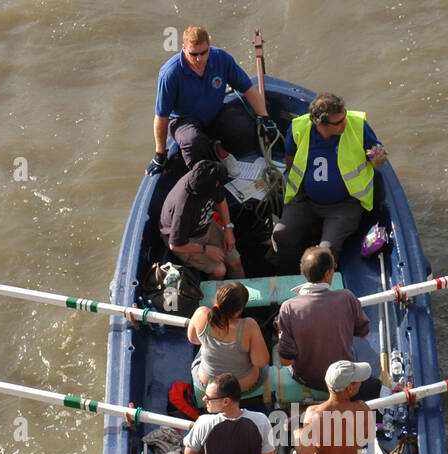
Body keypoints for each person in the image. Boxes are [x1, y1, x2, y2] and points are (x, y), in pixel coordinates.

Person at [272, 92, 388, 273]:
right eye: (338, 122)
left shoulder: (356, 125)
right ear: (321, 123)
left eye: (344, 117)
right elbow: (290, 160)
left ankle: (321, 290)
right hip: (307, 201)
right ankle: (291, 277)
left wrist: (378, 158)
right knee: (281, 235)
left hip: (344, 205)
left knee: (325, 253)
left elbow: (376, 157)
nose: (345, 123)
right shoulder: (299, 128)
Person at [148, 25, 276, 174]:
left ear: (209, 45)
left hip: (214, 113)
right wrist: (160, 153)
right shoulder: (170, 74)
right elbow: (161, 116)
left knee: (242, 127)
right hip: (183, 120)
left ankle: (218, 148)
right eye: (193, 54)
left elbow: (248, 89)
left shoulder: (221, 58)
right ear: (184, 49)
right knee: (194, 142)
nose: (199, 59)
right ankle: (208, 172)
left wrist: (265, 118)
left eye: (203, 53)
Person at [274, 245, 373, 397]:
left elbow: (286, 361)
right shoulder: (347, 297)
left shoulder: (288, 308)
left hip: (308, 379)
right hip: (343, 376)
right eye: (333, 268)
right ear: (328, 274)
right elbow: (364, 333)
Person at [183, 373, 276, 454]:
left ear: (226, 401)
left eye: (209, 398)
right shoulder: (262, 420)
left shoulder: (203, 422)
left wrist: (211, 451)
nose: (204, 399)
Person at [295, 360, 376, 454]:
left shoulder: (312, 414)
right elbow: (367, 437)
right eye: (359, 380)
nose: (361, 382)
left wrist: (299, 432)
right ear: (350, 388)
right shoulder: (363, 409)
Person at [160, 159, 245, 280]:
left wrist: (228, 228)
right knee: (220, 270)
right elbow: (175, 244)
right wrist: (206, 250)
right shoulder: (183, 209)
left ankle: (242, 295)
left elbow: (220, 201)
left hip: (206, 226)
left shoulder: (207, 176)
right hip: (186, 241)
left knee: (235, 262)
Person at [187, 281, 269, 393]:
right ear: (240, 310)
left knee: (202, 348)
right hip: (243, 388)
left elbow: (194, 340)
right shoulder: (249, 325)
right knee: (264, 369)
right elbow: (261, 362)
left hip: (208, 386)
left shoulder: (201, 313)